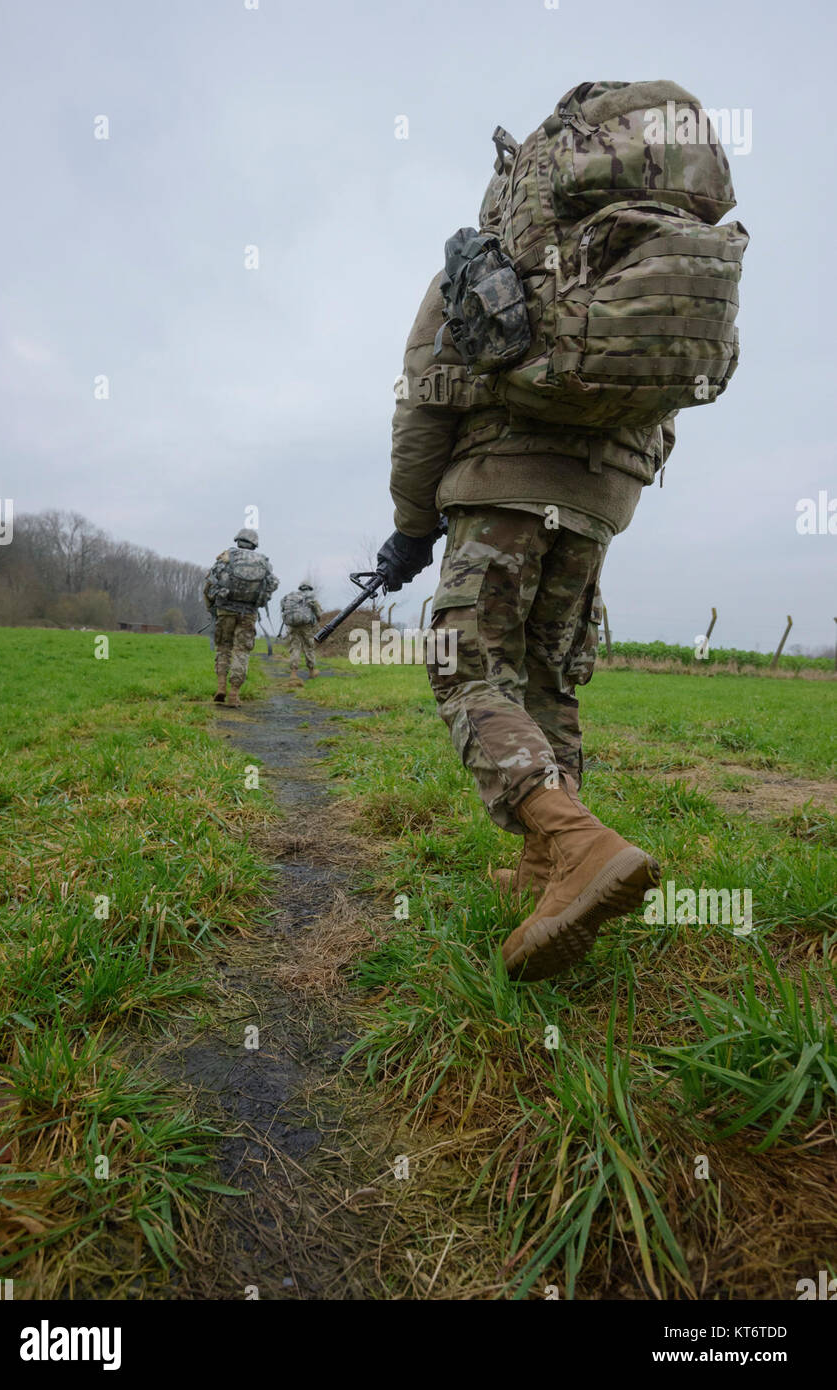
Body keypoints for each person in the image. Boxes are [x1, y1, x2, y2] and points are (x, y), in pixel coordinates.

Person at [377, 81, 743, 981]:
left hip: (501, 480)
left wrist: (410, 527)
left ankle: (571, 840)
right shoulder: (645, 252)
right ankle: (547, 869)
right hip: (601, 495)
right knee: (546, 669)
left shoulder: (488, 257)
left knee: (468, 664)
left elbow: (424, 403)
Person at [202, 527, 278, 707]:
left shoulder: (226, 557)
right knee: (241, 652)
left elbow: (210, 583)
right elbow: (273, 584)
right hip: (248, 613)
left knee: (223, 648)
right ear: (254, 544)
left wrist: (213, 605)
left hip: (225, 611)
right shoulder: (263, 562)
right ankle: (234, 695)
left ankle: (221, 687)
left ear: (238, 540)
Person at [281, 582, 322, 684]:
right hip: (306, 626)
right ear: (309, 588)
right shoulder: (310, 597)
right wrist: (317, 619)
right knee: (309, 647)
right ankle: (311, 671)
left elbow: (282, 608)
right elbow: (318, 612)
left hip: (292, 626)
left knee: (295, 647)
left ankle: (293, 674)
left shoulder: (291, 596)